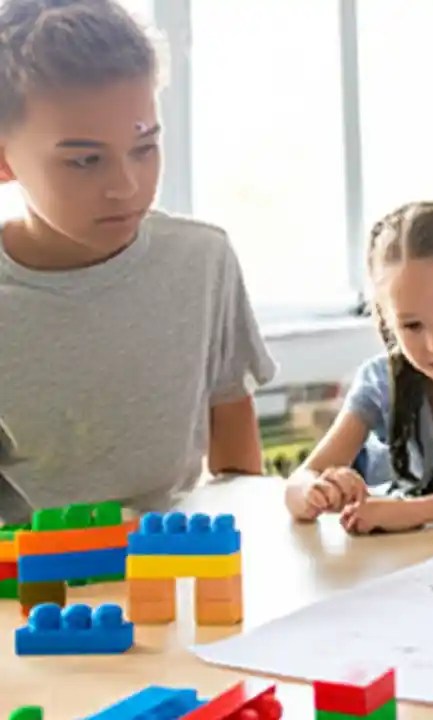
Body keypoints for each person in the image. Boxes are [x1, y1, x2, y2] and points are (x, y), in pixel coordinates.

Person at [0, 0, 275, 523]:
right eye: (85, 160)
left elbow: (238, 467)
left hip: (177, 574)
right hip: (31, 589)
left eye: (144, 147)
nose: (126, 186)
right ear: (4, 160)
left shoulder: (204, 261)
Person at [284, 202, 433, 534]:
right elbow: (300, 480)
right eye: (412, 326)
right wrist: (315, 492)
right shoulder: (380, 382)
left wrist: (410, 512)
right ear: (385, 317)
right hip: (418, 559)